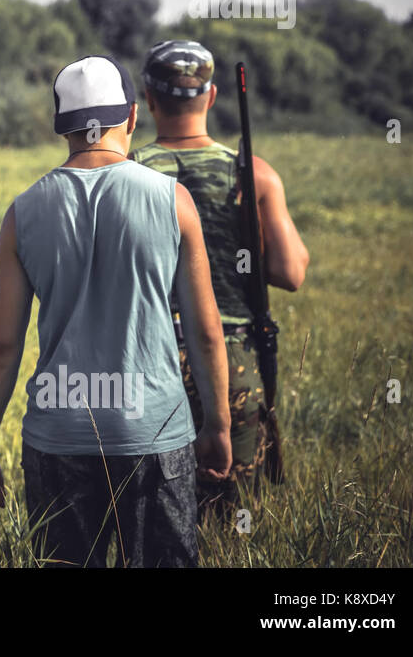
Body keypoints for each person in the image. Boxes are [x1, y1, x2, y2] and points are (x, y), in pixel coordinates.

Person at [0, 54, 232, 567]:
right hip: (153, 433)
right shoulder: (173, 201)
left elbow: (2, 345)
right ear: (132, 116)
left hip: (58, 438)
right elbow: (206, 331)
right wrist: (218, 424)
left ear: (61, 127)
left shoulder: (23, 212)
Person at [132, 40, 309, 517]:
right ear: (210, 98)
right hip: (233, 361)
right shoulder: (252, 174)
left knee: (154, 518)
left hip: (147, 357)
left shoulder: (128, 173)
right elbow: (290, 273)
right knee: (234, 520)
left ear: (149, 98)